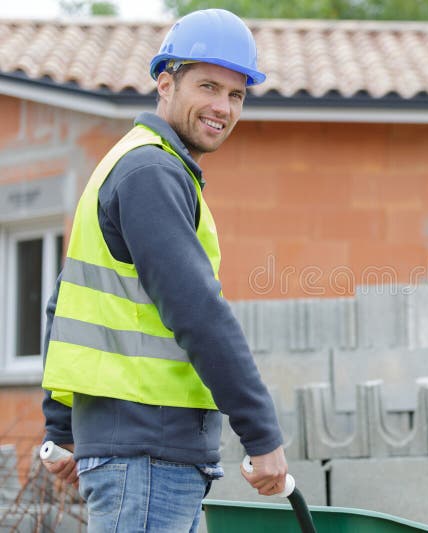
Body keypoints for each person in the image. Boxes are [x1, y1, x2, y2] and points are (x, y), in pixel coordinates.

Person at [39, 9, 287, 532]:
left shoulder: (129, 163)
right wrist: (261, 434)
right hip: (148, 458)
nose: (223, 107)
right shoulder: (152, 172)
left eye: (236, 94)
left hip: (142, 457)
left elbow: (65, 302)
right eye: (209, 86)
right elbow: (197, 312)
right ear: (165, 83)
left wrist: (61, 428)